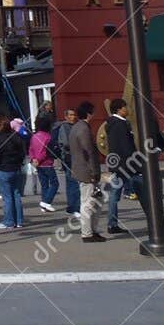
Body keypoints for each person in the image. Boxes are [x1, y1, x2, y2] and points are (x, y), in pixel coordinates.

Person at [102, 99, 143, 233]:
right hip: (127, 166)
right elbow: (126, 147)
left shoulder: (111, 124)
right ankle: (156, 220)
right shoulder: (121, 124)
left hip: (116, 165)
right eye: (125, 107)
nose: (127, 109)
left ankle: (112, 224)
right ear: (119, 109)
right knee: (144, 192)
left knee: (114, 195)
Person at [69, 102, 105, 242]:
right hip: (87, 172)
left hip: (80, 169)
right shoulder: (84, 129)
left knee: (95, 201)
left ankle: (91, 231)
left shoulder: (75, 127)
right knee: (89, 204)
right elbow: (88, 151)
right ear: (89, 113)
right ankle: (88, 233)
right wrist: (94, 172)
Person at [0, 117, 28, 230]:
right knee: (16, 195)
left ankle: (9, 221)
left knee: (7, 197)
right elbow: (22, 153)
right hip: (16, 168)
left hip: (4, 169)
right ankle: (19, 221)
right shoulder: (16, 137)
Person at [51, 107, 81, 224]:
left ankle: (71, 206)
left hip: (75, 158)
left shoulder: (76, 125)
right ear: (66, 116)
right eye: (71, 115)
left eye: (74, 114)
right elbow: (66, 143)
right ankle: (75, 207)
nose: (74, 117)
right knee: (74, 183)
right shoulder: (64, 127)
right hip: (69, 158)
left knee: (71, 183)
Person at [28, 112, 59, 213]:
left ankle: (44, 204)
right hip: (47, 163)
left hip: (38, 164)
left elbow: (31, 149)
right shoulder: (48, 137)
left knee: (44, 184)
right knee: (55, 183)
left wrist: (33, 159)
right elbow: (45, 152)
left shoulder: (34, 136)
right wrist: (39, 160)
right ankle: (46, 201)